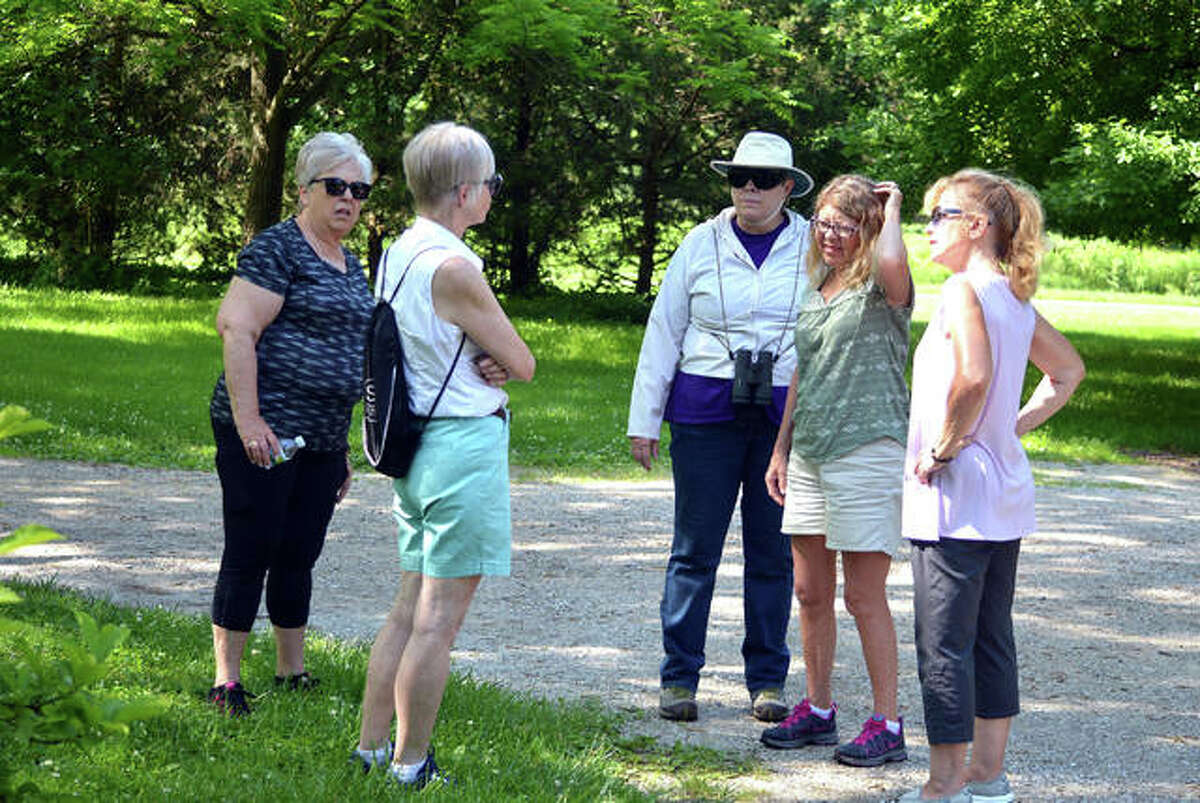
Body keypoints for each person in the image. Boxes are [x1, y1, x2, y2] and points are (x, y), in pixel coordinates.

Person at [351, 122, 534, 789]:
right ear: (465, 192)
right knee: (437, 622)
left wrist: (483, 357)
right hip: (462, 444)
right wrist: (498, 362)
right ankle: (411, 762)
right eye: (490, 184)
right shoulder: (456, 266)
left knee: (407, 607)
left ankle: (372, 748)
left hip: (416, 442)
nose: (492, 194)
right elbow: (522, 360)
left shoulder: (399, 250)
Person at [893, 169, 1084, 803]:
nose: (927, 228)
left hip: (956, 499)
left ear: (975, 227)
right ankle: (988, 778)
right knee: (991, 637)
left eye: (937, 216)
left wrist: (946, 445)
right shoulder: (1013, 296)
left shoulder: (962, 290)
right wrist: (1008, 427)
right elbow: (1068, 372)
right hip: (1002, 498)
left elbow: (972, 377)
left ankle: (944, 786)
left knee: (943, 644)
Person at [627, 131, 813, 723]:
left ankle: (767, 680)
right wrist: (644, 420)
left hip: (782, 417)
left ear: (788, 186)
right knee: (694, 551)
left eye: (763, 179)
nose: (749, 189)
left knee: (772, 554)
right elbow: (664, 330)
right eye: (739, 177)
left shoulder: (814, 244)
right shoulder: (698, 244)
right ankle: (678, 678)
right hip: (704, 410)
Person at [206, 132, 375, 715]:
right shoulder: (277, 249)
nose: (348, 199)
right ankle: (226, 682)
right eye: (336, 187)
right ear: (304, 190)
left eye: (360, 190)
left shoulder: (351, 263)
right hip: (265, 428)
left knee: (300, 550)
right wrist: (250, 420)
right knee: (252, 545)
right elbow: (237, 328)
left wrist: (343, 447)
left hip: (322, 435)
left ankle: (290, 670)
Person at [759, 175, 913, 767]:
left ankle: (888, 723)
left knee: (863, 596)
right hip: (812, 451)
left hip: (867, 447)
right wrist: (781, 447)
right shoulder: (819, 282)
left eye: (844, 226)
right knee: (809, 590)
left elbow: (895, 260)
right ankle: (818, 709)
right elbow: (806, 368)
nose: (829, 235)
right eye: (822, 222)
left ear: (868, 230)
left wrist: (892, 209)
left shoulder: (884, 283)